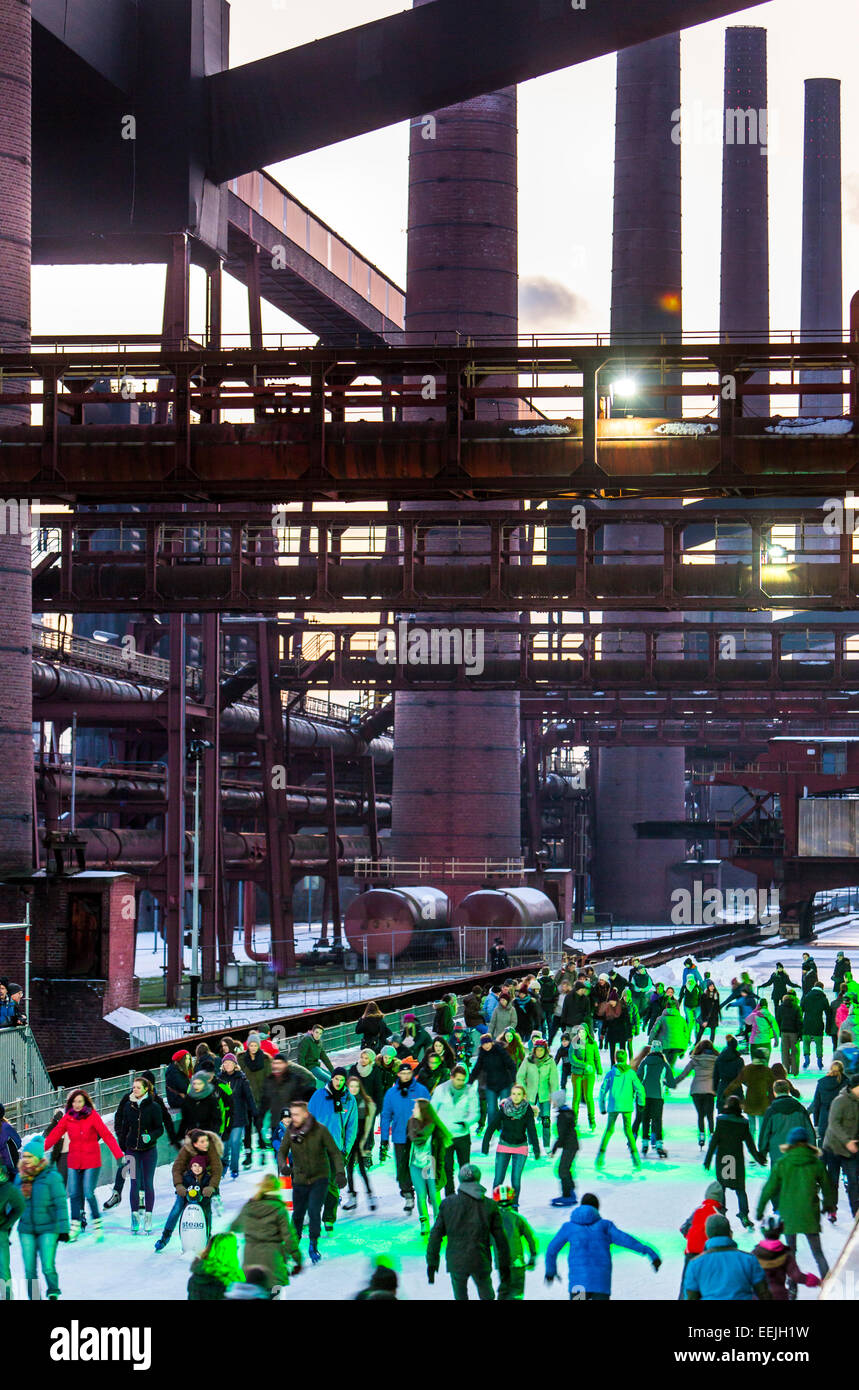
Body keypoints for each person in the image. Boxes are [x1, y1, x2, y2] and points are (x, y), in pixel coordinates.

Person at [545, 1191, 660, 1300]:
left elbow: (551, 1250)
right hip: (600, 1283)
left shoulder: (569, 1227)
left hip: (579, 1283)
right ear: (597, 1208)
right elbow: (628, 1241)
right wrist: (650, 1253)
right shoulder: (605, 1226)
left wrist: (551, 1271)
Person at [756, 1126, 835, 1281]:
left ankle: (792, 1290)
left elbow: (769, 1189)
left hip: (788, 1216)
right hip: (809, 1213)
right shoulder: (815, 1163)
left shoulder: (782, 1163)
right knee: (818, 1253)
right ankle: (828, 1285)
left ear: (790, 1144)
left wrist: (760, 1211)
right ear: (807, 1143)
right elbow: (827, 1186)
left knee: (790, 1255)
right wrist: (829, 1205)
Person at [44, 1088, 123, 1241]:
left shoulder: (92, 1116)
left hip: (92, 1161)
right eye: (74, 1102)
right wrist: (41, 1149)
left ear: (85, 1102)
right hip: (74, 1161)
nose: (77, 1104)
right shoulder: (68, 1118)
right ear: (70, 1103)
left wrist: (118, 1155)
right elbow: (55, 1134)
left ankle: (98, 1224)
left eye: (80, 1101)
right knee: (73, 1194)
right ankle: (74, 1227)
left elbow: (107, 1135)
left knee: (88, 1192)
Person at [426, 1162, 510, 1301]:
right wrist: (504, 1266)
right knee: (487, 1295)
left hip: (456, 1261)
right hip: (481, 1259)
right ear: (478, 1178)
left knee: (460, 1296)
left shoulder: (448, 1204)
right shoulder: (489, 1205)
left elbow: (435, 1236)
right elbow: (501, 1240)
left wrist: (432, 1262)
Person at [277, 1098, 346, 1265]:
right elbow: (282, 1151)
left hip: (319, 1177)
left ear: (306, 1114)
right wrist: (283, 1166)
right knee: (298, 1214)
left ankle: (313, 1245)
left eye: (297, 1115)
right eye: (292, 1115)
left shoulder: (320, 1130)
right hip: (299, 1177)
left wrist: (340, 1173)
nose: (293, 1118)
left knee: (314, 1211)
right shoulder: (291, 1132)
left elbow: (335, 1152)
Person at [14, 1137, 69, 1300]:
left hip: (49, 1229)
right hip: (26, 1230)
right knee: (30, 1270)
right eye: (24, 1156)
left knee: (47, 1266)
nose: (26, 1160)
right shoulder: (20, 1178)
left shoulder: (51, 1176)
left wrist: (64, 1230)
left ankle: (53, 1290)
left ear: (38, 1157)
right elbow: (12, 1204)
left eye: (30, 1156)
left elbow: (61, 1204)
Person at [229, 1172, 301, 1294]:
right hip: (273, 1259)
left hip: (250, 1258)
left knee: (253, 1293)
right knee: (274, 1292)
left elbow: (235, 1227)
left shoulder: (250, 1206)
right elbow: (289, 1236)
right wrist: (297, 1259)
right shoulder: (279, 1208)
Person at [155, 1127, 222, 1251]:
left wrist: (212, 1187)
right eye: (202, 1142)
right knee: (177, 1208)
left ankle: (207, 1238)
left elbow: (217, 1168)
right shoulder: (186, 1150)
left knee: (206, 1210)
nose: (205, 1144)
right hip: (188, 1183)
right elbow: (177, 1168)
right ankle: (165, 1237)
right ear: (195, 1144)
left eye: (206, 1141)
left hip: (205, 1183)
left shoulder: (210, 1148)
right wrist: (179, 1185)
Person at [113, 1074, 164, 1235]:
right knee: (134, 1183)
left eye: (137, 1087)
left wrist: (151, 1136)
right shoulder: (129, 1106)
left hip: (149, 1151)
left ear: (146, 1089)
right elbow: (124, 1125)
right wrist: (123, 1144)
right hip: (132, 1151)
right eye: (133, 1087)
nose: (134, 1090)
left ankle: (148, 1216)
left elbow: (159, 1128)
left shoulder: (154, 1107)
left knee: (148, 1183)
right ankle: (134, 1216)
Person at [309, 1068, 358, 1234]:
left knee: (332, 1184)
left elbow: (352, 1127)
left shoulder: (349, 1100)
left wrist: (346, 1150)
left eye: (342, 1080)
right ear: (332, 1079)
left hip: (336, 1148)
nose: (339, 1082)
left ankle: (329, 1218)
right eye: (336, 1079)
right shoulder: (318, 1096)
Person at [704, 1095, 764, 1230]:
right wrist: (758, 1157)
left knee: (722, 1188)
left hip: (723, 1159)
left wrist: (708, 1159)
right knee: (740, 1190)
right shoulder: (743, 1123)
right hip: (736, 1160)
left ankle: (721, 1214)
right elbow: (750, 1143)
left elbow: (715, 1141)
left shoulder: (721, 1121)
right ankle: (744, 1215)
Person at [379, 1062, 430, 1215]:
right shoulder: (391, 1093)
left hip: (419, 1135)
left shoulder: (421, 1090)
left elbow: (429, 1111)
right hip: (400, 1135)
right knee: (402, 1167)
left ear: (412, 1074)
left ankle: (428, 1191)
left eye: (409, 1073)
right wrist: (384, 1139)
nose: (406, 1076)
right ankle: (408, 1194)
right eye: (403, 1073)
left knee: (422, 1164)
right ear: (399, 1075)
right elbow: (386, 1115)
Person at [683, 1213, 771, 1301]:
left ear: (707, 1234)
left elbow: (691, 1297)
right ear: (730, 1233)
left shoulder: (695, 1264)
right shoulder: (748, 1260)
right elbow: (763, 1293)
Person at [481, 1083, 540, 1208]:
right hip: (504, 1145)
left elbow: (531, 1130)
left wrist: (536, 1149)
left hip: (521, 1146)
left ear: (524, 1096)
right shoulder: (504, 1108)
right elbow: (492, 1125)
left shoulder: (527, 1110)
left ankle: (514, 1205)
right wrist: (485, 1144)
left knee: (516, 1179)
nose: (516, 1096)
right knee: (498, 1178)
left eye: (519, 1094)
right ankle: (496, 1205)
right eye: (514, 1094)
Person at [433, 1064, 479, 1196]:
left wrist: (466, 1122)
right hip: (445, 1136)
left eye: (463, 1080)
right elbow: (432, 1110)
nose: (461, 1083)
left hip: (462, 1135)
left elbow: (475, 1112)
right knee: (447, 1168)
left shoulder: (470, 1091)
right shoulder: (441, 1090)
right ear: (452, 1077)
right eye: (458, 1079)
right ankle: (450, 1197)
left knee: (465, 1167)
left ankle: (466, 1194)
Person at [407, 1098, 451, 1235]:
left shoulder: (434, 1130)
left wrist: (438, 1173)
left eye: (416, 1108)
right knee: (420, 1195)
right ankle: (424, 1223)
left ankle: (439, 1223)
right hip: (415, 1164)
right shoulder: (411, 1124)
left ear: (423, 1111)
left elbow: (441, 1156)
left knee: (434, 1195)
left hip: (430, 1164)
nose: (413, 1110)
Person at [753, 1215, 822, 1301]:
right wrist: (816, 1281)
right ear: (781, 1230)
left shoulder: (754, 1254)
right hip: (779, 1295)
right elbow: (797, 1276)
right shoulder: (785, 1254)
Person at [596, 1049, 645, 1169]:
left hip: (613, 1106)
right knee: (628, 1131)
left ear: (615, 1059)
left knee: (609, 1130)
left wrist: (602, 1107)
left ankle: (600, 1156)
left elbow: (603, 1091)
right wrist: (641, 1103)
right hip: (627, 1106)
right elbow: (640, 1089)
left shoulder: (611, 1073)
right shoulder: (631, 1073)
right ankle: (635, 1158)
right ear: (626, 1058)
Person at [678, 1181, 726, 1298]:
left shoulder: (698, 1209)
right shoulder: (718, 1214)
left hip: (690, 1252)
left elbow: (683, 1228)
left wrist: (691, 1238)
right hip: (707, 1254)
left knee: (686, 1286)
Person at [821, 1072, 859, 1219]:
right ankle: (832, 1209)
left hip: (851, 1150)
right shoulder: (840, 1101)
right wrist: (847, 1141)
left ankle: (856, 1211)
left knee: (854, 1181)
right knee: (833, 1180)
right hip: (833, 1148)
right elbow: (834, 1124)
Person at [491, 1184, 537, 1300]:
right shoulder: (517, 1218)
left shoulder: (491, 1220)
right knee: (517, 1292)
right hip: (517, 1261)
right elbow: (530, 1238)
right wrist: (532, 1256)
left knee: (504, 1289)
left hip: (501, 1262)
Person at [632, 1041, 676, 1157]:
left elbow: (638, 1078)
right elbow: (672, 1083)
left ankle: (644, 1144)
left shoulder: (645, 1062)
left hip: (644, 1096)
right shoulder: (664, 1064)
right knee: (657, 1120)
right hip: (658, 1096)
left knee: (645, 1119)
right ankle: (659, 1145)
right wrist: (665, 1082)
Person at [256, 1053, 316, 1138]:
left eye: (280, 1063)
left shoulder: (294, 1079)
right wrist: (260, 1117)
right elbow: (265, 1102)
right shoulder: (269, 1081)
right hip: (276, 1124)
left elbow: (301, 1099)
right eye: (275, 1063)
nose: (277, 1066)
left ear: (285, 1064)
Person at [758, 1080, 815, 1167]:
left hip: (777, 1152)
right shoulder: (800, 1108)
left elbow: (765, 1134)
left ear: (774, 1092)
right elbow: (810, 1131)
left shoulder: (771, 1111)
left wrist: (762, 1153)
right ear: (788, 1091)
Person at [723, 1048, 776, 1141]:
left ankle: (751, 1144)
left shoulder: (747, 1069)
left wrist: (726, 1093)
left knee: (751, 1126)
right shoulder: (767, 1070)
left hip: (750, 1100)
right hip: (762, 1101)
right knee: (762, 1126)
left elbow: (737, 1082)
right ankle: (761, 1144)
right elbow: (773, 1086)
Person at [516, 1034, 559, 1149]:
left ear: (545, 1050)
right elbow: (520, 1076)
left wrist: (554, 1096)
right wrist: (523, 1090)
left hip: (544, 1095)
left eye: (541, 1050)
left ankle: (546, 1145)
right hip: (530, 1095)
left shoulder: (550, 1061)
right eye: (537, 1050)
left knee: (546, 1120)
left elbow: (554, 1080)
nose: (539, 1052)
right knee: (529, 1121)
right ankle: (530, 1144)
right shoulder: (528, 1060)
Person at [342, 1075, 377, 1211]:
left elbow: (367, 1126)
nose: (354, 1089)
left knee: (362, 1170)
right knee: (349, 1169)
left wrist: (365, 1143)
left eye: (356, 1086)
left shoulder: (365, 1103)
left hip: (360, 1141)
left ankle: (370, 1195)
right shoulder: (344, 1102)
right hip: (348, 1142)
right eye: (351, 1086)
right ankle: (352, 1197)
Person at [469, 1033, 516, 1133]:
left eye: (488, 1043)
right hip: (491, 1085)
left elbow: (511, 1064)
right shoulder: (482, 1054)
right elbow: (477, 1068)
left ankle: (505, 1127)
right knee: (491, 1110)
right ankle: (491, 1129)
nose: (486, 1046)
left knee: (504, 1107)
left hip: (504, 1083)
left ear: (491, 1043)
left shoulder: (500, 1050)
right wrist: (470, 1082)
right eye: (484, 1044)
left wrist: (513, 1079)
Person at [675, 1039, 718, 1149]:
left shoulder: (695, 1060)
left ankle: (701, 1135)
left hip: (696, 1090)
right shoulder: (716, 1060)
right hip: (710, 1090)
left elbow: (683, 1074)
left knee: (700, 1114)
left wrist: (673, 1083)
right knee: (709, 1115)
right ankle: (712, 1135)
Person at [237, 1032, 271, 1164]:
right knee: (247, 1128)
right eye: (251, 1045)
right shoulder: (241, 1059)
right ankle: (248, 1154)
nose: (253, 1047)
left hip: (260, 1100)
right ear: (247, 1045)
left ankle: (262, 1151)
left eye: (255, 1045)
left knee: (259, 1126)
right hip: (246, 1100)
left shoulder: (266, 1060)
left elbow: (269, 1080)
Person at [348, 1048, 386, 1161]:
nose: (363, 1060)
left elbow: (378, 1090)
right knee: (354, 1131)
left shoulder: (375, 1071)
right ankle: (354, 1155)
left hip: (369, 1107)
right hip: (355, 1106)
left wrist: (378, 1107)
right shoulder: (354, 1069)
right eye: (362, 1057)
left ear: (370, 1060)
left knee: (367, 1132)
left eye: (366, 1058)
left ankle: (367, 1155)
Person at [550, 1089, 578, 1206]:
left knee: (562, 1170)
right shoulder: (568, 1113)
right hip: (572, 1145)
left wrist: (554, 1150)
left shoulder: (562, 1116)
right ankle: (570, 1191)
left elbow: (561, 1136)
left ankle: (568, 1195)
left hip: (569, 1146)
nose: (552, 1102)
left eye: (553, 1100)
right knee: (565, 1168)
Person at [0, 1160, 24, 1297]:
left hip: (0, 1233)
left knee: (3, 1270)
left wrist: (6, 1225)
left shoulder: (6, 1187)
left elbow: (19, 1206)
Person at [179, 1071, 226, 1139]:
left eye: (199, 1084)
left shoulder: (212, 1100)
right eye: (195, 1083)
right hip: (194, 1137)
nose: (197, 1086)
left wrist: (212, 1134)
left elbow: (217, 1120)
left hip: (209, 1135)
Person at [811, 1060, 848, 1146]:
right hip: (841, 1120)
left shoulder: (821, 1083)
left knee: (823, 1148)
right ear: (842, 1070)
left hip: (824, 1119)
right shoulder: (846, 1083)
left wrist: (816, 1123)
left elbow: (816, 1104)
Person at [647, 995, 689, 1065]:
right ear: (676, 1007)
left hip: (664, 1045)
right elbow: (686, 1034)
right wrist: (684, 1047)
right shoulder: (682, 1019)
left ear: (666, 1007)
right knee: (670, 1065)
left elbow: (654, 1031)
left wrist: (650, 1042)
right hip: (677, 1046)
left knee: (664, 1063)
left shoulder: (661, 1018)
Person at [801, 979, 832, 1069]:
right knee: (819, 1044)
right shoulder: (823, 998)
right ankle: (819, 1062)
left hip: (806, 1024)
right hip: (818, 1024)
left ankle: (806, 1060)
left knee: (806, 1043)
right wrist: (828, 1028)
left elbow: (800, 1010)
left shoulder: (806, 997)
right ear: (822, 988)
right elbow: (828, 1014)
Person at [776, 989, 803, 1076]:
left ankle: (786, 1071)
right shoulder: (797, 1008)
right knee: (795, 1052)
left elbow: (778, 1020)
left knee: (784, 1052)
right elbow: (799, 1022)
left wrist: (779, 1031)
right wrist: (800, 1033)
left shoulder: (780, 1008)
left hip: (784, 1032)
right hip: (794, 1033)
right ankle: (795, 1071)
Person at [713, 1034, 745, 1105]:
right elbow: (741, 1076)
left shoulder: (720, 1059)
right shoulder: (739, 1060)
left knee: (722, 1109)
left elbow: (715, 1076)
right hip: (736, 1088)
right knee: (736, 1111)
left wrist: (715, 1088)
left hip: (723, 1087)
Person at [0, 1102, 21, 1180]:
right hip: (11, 1168)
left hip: (6, 1169)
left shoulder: (5, 1127)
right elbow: (18, 1142)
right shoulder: (6, 1127)